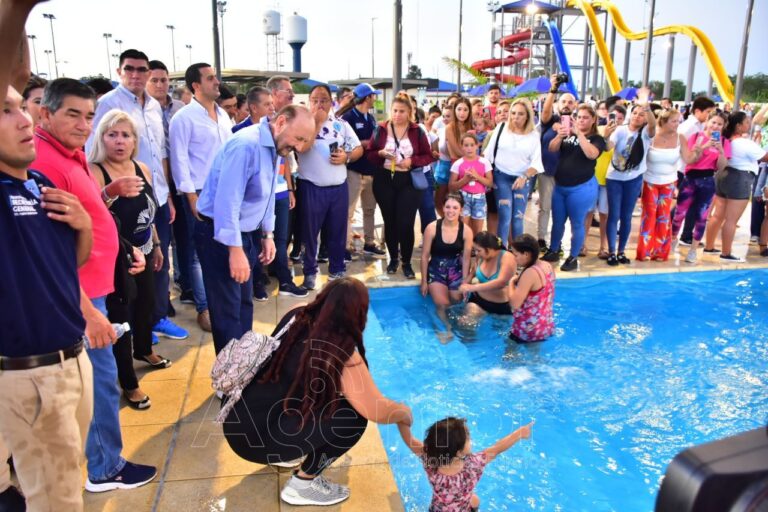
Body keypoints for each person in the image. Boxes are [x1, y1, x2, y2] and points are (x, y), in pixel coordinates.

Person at [33, 78, 158, 494]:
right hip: (82, 299)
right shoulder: (46, 164)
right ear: (45, 113)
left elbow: (91, 214)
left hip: (99, 288)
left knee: (98, 380)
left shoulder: (68, 157)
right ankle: (105, 467)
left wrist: (125, 249)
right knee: (99, 383)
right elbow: (47, 253)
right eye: (73, 114)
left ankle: (102, 461)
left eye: (88, 116)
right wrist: (88, 312)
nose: (83, 125)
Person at [0, 18, 94, 505]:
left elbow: (66, 265)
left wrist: (84, 225)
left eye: (22, 107)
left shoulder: (37, 183)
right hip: (28, 374)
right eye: (5, 111)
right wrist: (17, 12)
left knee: (65, 483)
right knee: (57, 500)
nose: (24, 120)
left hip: (71, 361)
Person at [223, 278, 413, 506]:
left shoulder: (296, 315)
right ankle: (303, 484)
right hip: (257, 442)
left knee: (323, 395)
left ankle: (286, 452)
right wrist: (404, 413)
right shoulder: (341, 353)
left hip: (236, 423)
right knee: (353, 419)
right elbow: (377, 410)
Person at [196, 105, 315, 354]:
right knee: (228, 313)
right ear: (281, 122)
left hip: (246, 233)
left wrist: (268, 235)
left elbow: (268, 193)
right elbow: (227, 202)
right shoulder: (246, 146)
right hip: (222, 235)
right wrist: (235, 250)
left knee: (243, 305)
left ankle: (244, 364)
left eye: (305, 141)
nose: (300, 147)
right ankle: (230, 374)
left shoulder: (274, 146)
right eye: (299, 138)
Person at [89, 109, 173, 410]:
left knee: (147, 304)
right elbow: (92, 213)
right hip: (116, 258)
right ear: (102, 138)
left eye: (126, 135)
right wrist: (110, 192)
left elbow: (149, 211)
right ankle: (129, 382)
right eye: (112, 135)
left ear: (135, 141)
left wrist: (157, 245)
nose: (119, 141)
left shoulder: (142, 168)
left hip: (145, 249)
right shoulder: (95, 170)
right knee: (121, 318)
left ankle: (145, 349)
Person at [170, 62, 232, 331]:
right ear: (196, 85)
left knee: (224, 244)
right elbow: (179, 160)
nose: (217, 82)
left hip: (226, 191)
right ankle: (204, 308)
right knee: (198, 252)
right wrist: (191, 197)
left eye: (216, 77)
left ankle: (222, 299)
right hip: (199, 192)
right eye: (210, 78)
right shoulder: (183, 118)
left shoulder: (223, 115)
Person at [295, 85, 362, 290]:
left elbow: (358, 148)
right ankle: (310, 271)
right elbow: (301, 148)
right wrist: (316, 123)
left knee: (337, 231)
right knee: (310, 233)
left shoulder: (341, 124)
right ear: (309, 102)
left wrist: (346, 157)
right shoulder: (301, 124)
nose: (319, 104)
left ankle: (337, 270)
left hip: (338, 187)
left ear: (331, 102)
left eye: (323, 100)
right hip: (311, 186)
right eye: (315, 100)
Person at [397, 417, 533, 512]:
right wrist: (519, 433)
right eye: (468, 438)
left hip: (437, 509)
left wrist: (401, 420)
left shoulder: (430, 461)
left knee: (474, 499)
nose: (470, 439)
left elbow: (409, 440)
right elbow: (497, 448)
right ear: (458, 452)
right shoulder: (473, 465)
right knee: (475, 500)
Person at [368, 94, 434, 279]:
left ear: (410, 112)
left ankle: (406, 262)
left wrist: (412, 161)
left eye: (402, 111)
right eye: (395, 110)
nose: (397, 114)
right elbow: (370, 154)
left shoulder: (417, 131)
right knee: (390, 221)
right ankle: (393, 259)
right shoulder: (381, 129)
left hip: (408, 180)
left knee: (406, 222)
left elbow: (428, 156)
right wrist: (381, 153)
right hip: (384, 179)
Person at [145, 59, 189, 342]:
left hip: (171, 186)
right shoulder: (126, 107)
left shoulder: (178, 108)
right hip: (139, 190)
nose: (161, 85)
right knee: (144, 256)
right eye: (155, 80)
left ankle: (160, 310)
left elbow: (166, 152)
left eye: (164, 80)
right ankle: (145, 319)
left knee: (169, 250)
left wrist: (171, 194)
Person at [543, 104, 606, 271]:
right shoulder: (568, 135)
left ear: (593, 120)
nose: (581, 120)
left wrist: (579, 134)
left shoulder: (597, 139)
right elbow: (552, 148)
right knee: (557, 221)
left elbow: (592, 154)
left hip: (581, 187)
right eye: (579, 117)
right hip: (560, 186)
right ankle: (553, 250)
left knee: (577, 223)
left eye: (585, 117)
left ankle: (573, 256)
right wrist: (559, 136)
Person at [704, 111, 768, 262]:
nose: (749, 124)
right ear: (738, 126)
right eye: (746, 122)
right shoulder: (744, 143)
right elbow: (765, 157)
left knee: (718, 215)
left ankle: (709, 246)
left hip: (723, 175)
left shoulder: (726, 140)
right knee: (732, 220)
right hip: (740, 179)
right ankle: (726, 253)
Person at [604, 88, 657, 266]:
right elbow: (608, 147)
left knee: (626, 216)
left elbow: (653, 126)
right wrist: (606, 136)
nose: (637, 117)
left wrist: (646, 106)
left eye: (641, 115)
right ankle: (611, 251)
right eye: (634, 113)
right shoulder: (620, 130)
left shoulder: (646, 134)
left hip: (633, 179)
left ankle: (621, 251)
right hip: (614, 178)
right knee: (614, 215)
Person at [671, 110, 730, 263]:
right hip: (690, 179)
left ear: (724, 126)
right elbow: (690, 159)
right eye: (713, 122)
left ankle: (693, 249)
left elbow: (721, 167)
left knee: (701, 217)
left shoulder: (724, 142)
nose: (715, 126)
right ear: (707, 122)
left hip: (708, 181)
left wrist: (721, 151)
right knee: (679, 213)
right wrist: (704, 146)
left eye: (719, 124)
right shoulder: (697, 137)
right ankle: (673, 239)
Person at [483, 98, 543, 246]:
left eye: (521, 114)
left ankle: (518, 252)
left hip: (522, 179)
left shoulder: (534, 135)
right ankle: (502, 251)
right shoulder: (501, 128)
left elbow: (536, 163)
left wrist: (524, 176)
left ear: (527, 116)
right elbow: (487, 154)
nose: (516, 117)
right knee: (505, 216)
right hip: (501, 177)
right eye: (513, 113)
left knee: (518, 218)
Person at [636, 109, 693, 262]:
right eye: (674, 121)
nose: (677, 124)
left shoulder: (680, 137)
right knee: (649, 215)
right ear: (663, 121)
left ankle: (660, 252)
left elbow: (688, 159)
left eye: (678, 121)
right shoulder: (651, 135)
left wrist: (701, 149)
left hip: (669, 182)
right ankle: (644, 252)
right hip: (650, 181)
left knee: (663, 216)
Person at [341, 83, 387, 258]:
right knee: (348, 212)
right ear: (367, 97)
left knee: (369, 210)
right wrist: (365, 143)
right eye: (373, 95)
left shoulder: (371, 118)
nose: (375, 98)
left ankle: (369, 243)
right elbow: (345, 143)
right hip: (354, 171)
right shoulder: (348, 118)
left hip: (371, 171)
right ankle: (345, 247)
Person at [420, 193, 474, 342]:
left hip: (456, 270)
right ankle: (447, 329)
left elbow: (466, 258)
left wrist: (465, 282)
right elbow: (424, 256)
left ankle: (459, 328)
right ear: (443, 208)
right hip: (436, 270)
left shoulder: (466, 231)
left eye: (455, 208)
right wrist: (424, 281)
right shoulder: (432, 228)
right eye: (448, 207)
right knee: (443, 304)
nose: (451, 211)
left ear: (461, 210)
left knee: (457, 302)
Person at [538, 75, 578, 252]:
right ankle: (541, 239)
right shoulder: (550, 121)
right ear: (557, 104)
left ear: (575, 106)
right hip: (548, 172)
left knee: (561, 211)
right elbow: (545, 112)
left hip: (568, 175)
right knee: (545, 207)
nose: (567, 105)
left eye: (570, 102)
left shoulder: (579, 123)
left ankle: (557, 241)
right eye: (563, 101)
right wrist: (553, 88)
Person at [676, 96, 716, 246]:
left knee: (692, 204)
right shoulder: (689, 127)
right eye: (708, 112)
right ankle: (677, 234)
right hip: (684, 169)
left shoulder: (700, 125)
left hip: (692, 169)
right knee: (682, 205)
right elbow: (681, 148)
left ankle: (686, 235)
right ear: (698, 111)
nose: (710, 115)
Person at [507, 234, 555, 343]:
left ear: (526, 254)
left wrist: (511, 283)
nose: (514, 259)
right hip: (545, 324)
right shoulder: (547, 266)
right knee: (535, 352)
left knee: (510, 350)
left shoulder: (530, 273)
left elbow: (514, 304)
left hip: (527, 328)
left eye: (516, 255)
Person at [593, 105, 626, 259]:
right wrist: (605, 135)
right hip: (593, 177)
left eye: (620, 118)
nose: (616, 121)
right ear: (607, 116)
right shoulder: (599, 130)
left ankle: (603, 246)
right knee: (587, 213)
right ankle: (582, 245)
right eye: (613, 117)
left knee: (604, 215)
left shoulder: (625, 134)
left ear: (624, 119)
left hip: (610, 180)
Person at [459, 231, 517, 315]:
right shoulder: (480, 256)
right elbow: (473, 273)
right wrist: (465, 282)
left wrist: (472, 287)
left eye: (478, 250)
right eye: (475, 250)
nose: (476, 253)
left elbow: (500, 282)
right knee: (465, 320)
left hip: (500, 307)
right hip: (477, 301)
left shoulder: (507, 258)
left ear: (489, 249)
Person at [448, 133, 493, 234]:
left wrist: (477, 176)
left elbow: (490, 183)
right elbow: (451, 186)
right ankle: (465, 244)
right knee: (463, 228)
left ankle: (475, 244)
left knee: (478, 230)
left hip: (480, 198)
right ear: (462, 147)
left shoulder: (485, 162)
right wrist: (465, 180)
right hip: (464, 197)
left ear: (477, 146)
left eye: (472, 145)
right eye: (466, 145)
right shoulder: (457, 164)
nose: (469, 148)